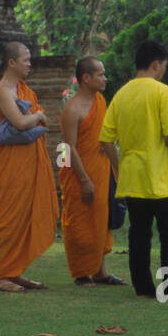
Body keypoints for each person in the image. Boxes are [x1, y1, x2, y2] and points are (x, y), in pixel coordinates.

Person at [99, 40, 168, 299]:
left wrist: (118, 168)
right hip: (159, 177)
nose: (164, 71)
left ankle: (143, 287)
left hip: (133, 177)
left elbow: (106, 138)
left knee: (139, 234)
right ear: (156, 64)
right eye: (164, 66)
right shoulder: (163, 92)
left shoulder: (122, 94)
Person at [0, 42, 58, 292]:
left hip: (27, 159)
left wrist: (36, 116)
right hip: (7, 162)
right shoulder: (2, 90)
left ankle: (13, 272)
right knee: (5, 215)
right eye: (25, 59)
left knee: (23, 214)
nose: (29, 63)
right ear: (11, 62)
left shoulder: (24, 90)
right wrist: (37, 116)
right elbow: (21, 122)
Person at [59, 56, 125, 286]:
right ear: (86, 78)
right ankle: (81, 273)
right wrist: (85, 180)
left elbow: (105, 138)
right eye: (100, 74)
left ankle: (100, 272)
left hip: (101, 169)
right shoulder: (72, 108)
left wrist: (117, 170)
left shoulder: (100, 101)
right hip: (79, 174)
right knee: (79, 224)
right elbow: (67, 149)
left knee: (100, 222)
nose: (105, 78)